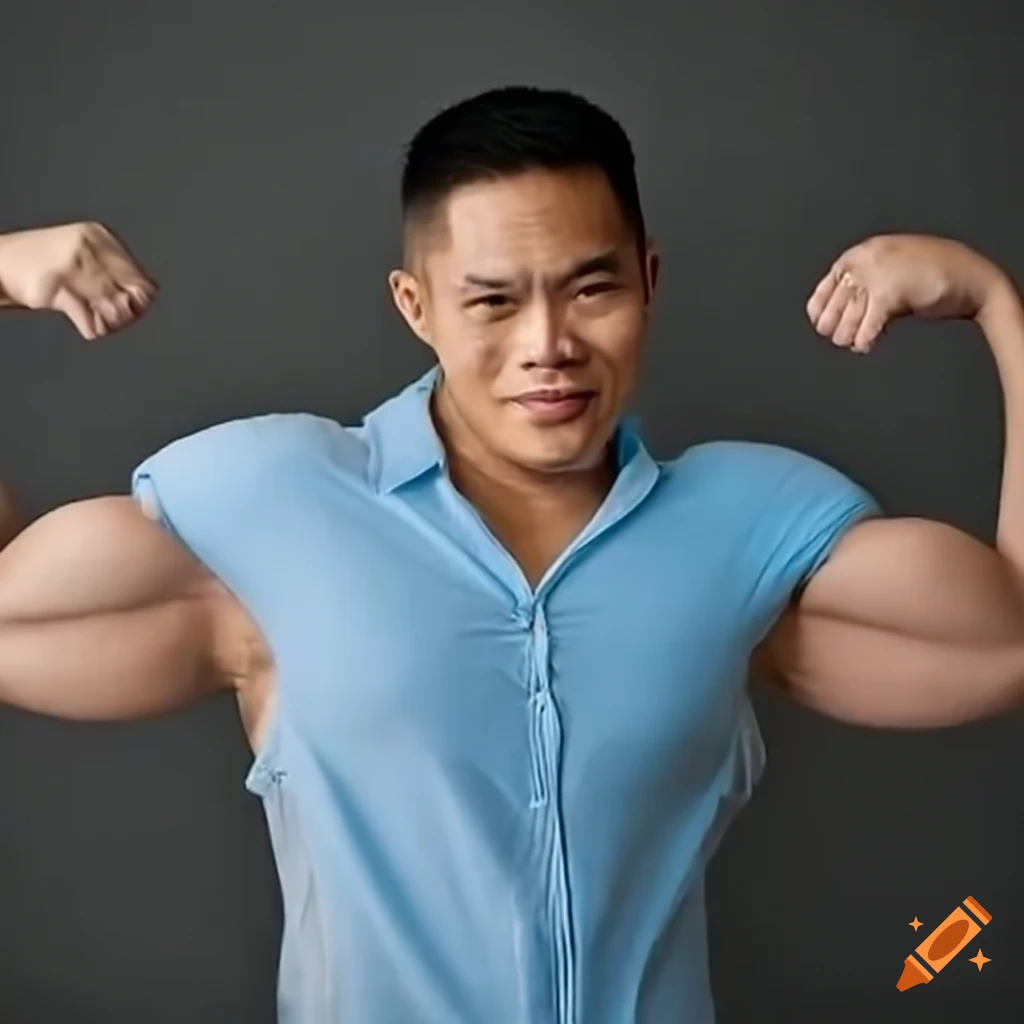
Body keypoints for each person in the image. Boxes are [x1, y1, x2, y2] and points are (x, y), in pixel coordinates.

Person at [0, 85, 1022, 1024]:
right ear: (417, 307)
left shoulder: (745, 529)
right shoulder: (272, 508)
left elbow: (1010, 643)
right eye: (491, 300)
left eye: (591, 290)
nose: (547, 344)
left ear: (648, 280)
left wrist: (996, 304)